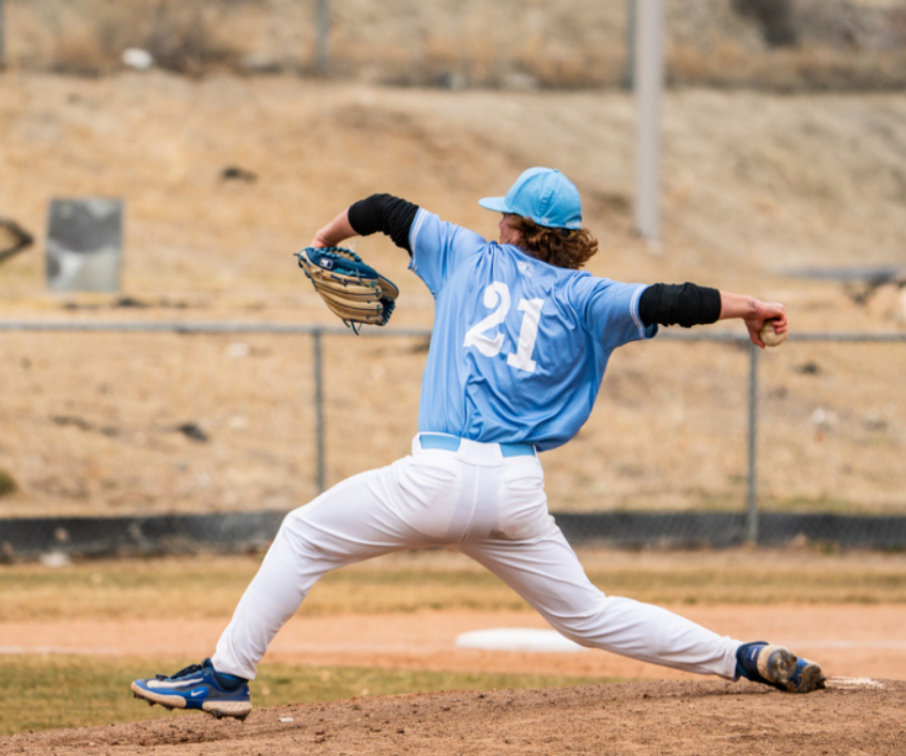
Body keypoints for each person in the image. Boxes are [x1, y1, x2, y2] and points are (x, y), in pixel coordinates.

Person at [130, 167, 820, 720]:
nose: (496, 223)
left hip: (437, 475)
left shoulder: (464, 253)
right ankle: (743, 656)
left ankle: (225, 678)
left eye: (505, 215)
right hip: (516, 492)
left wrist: (327, 239)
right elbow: (676, 300)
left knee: (303, 535)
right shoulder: (590, 298)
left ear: (516, 228)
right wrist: (752, 308)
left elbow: (379, 206)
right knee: (588, 615)